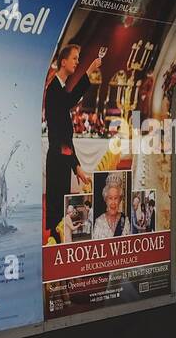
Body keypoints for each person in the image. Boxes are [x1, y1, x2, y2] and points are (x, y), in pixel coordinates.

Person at [44, 43, 102, 240]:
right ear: (63, 62)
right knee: (57, 213)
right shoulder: (54, 89)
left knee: (61, 210)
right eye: (75, 58)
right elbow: (60, 138)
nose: (77, 62)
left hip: (62, 157)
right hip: (58, 157)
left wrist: (74, 165)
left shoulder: (59, 87)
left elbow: (70, 101)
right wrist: (76, 166)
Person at [92, 172, 128, 240]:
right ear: (106, 200)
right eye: (110, 198)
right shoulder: (99, 222)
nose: (113, 203)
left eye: (116, 198)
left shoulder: (125, 221)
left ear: (120, 200)